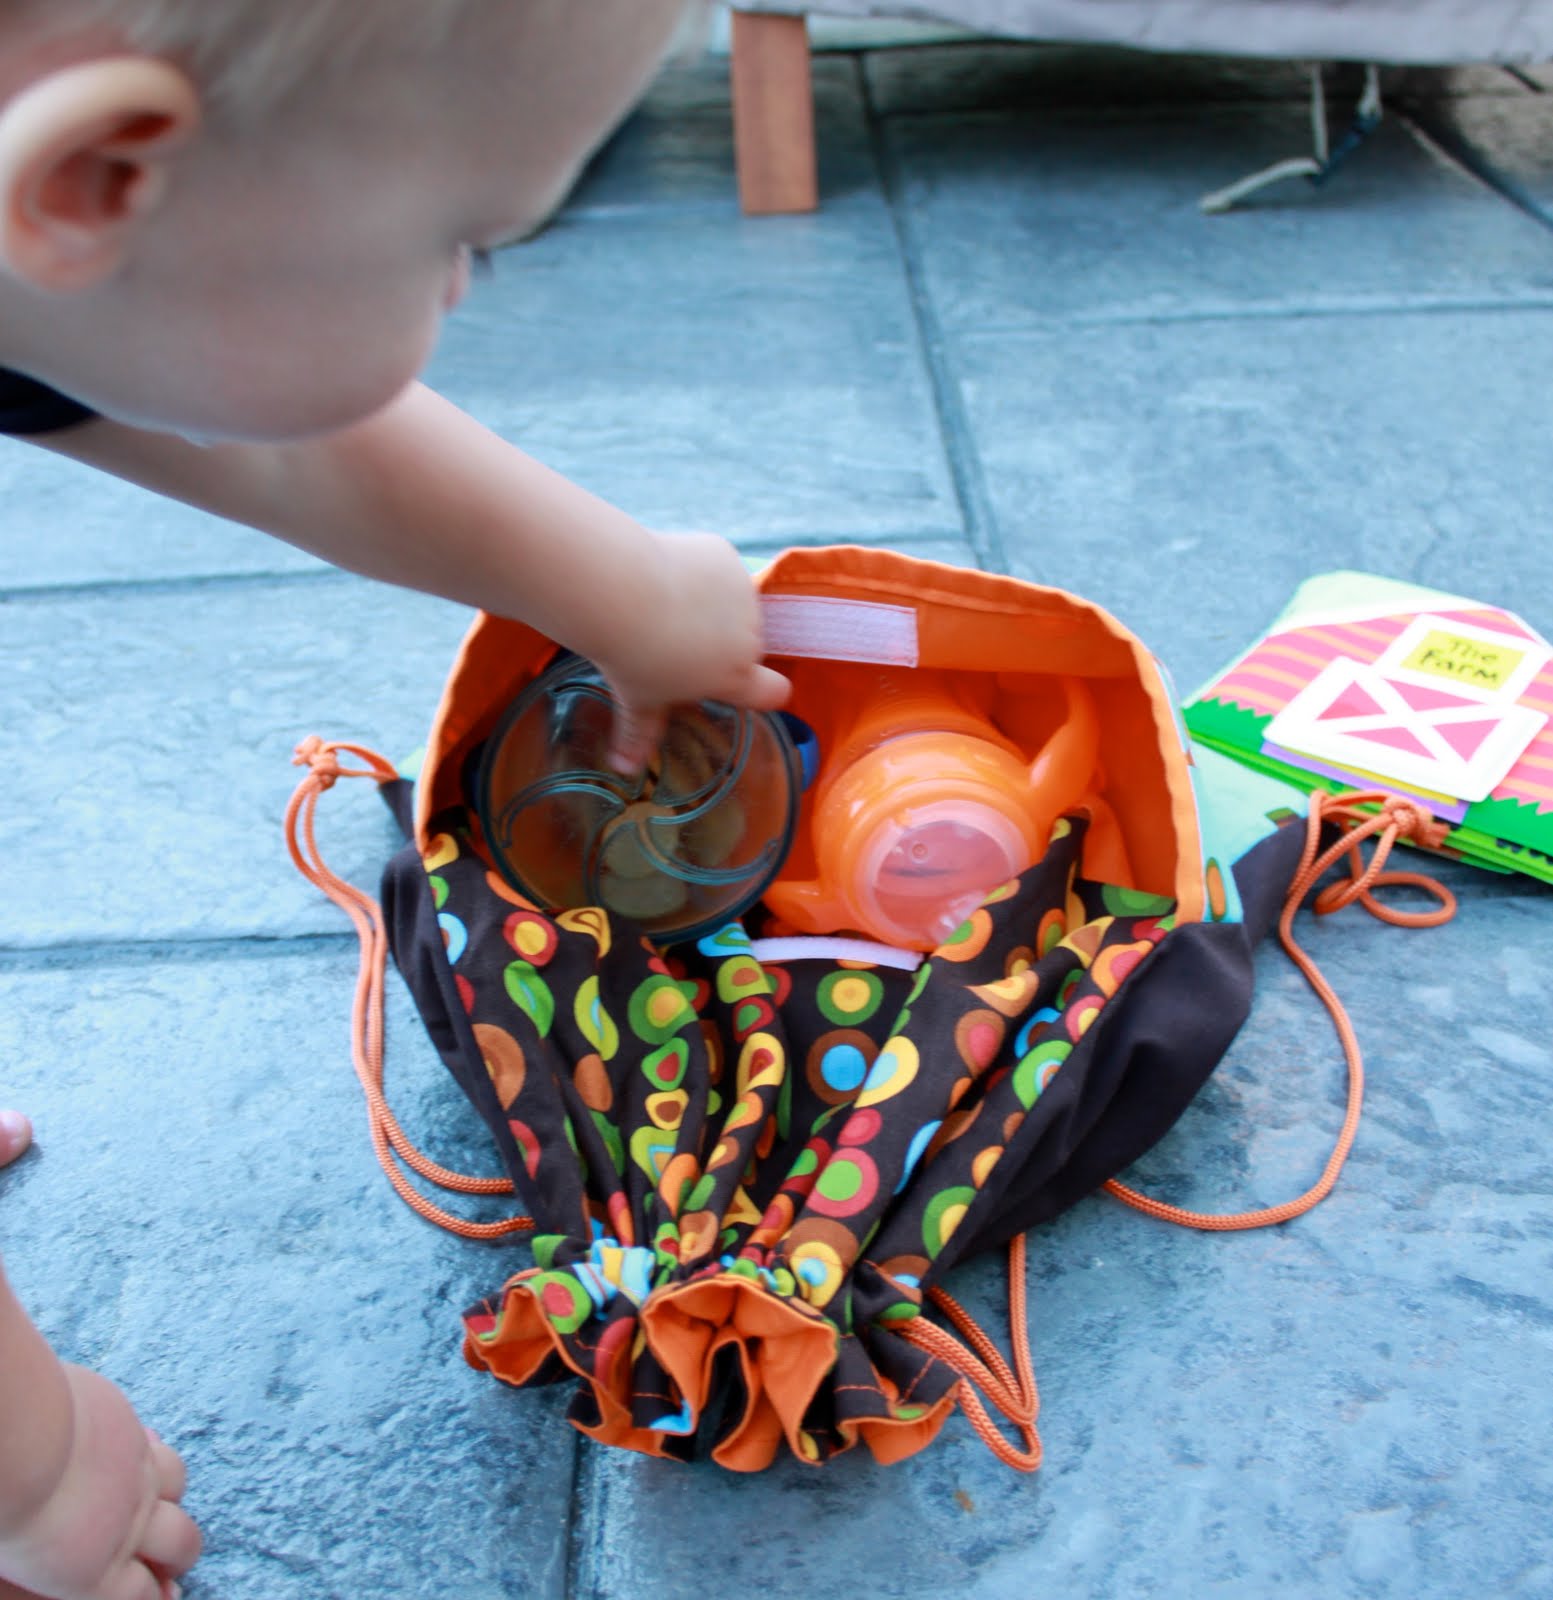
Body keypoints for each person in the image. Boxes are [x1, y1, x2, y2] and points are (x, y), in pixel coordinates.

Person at [0, 3, 787, 1596]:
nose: (454, 291)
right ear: (94, 180)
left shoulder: (51, 211)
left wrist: (624, 592)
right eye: (463, 243)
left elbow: (281, 443)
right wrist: (32, 1489)